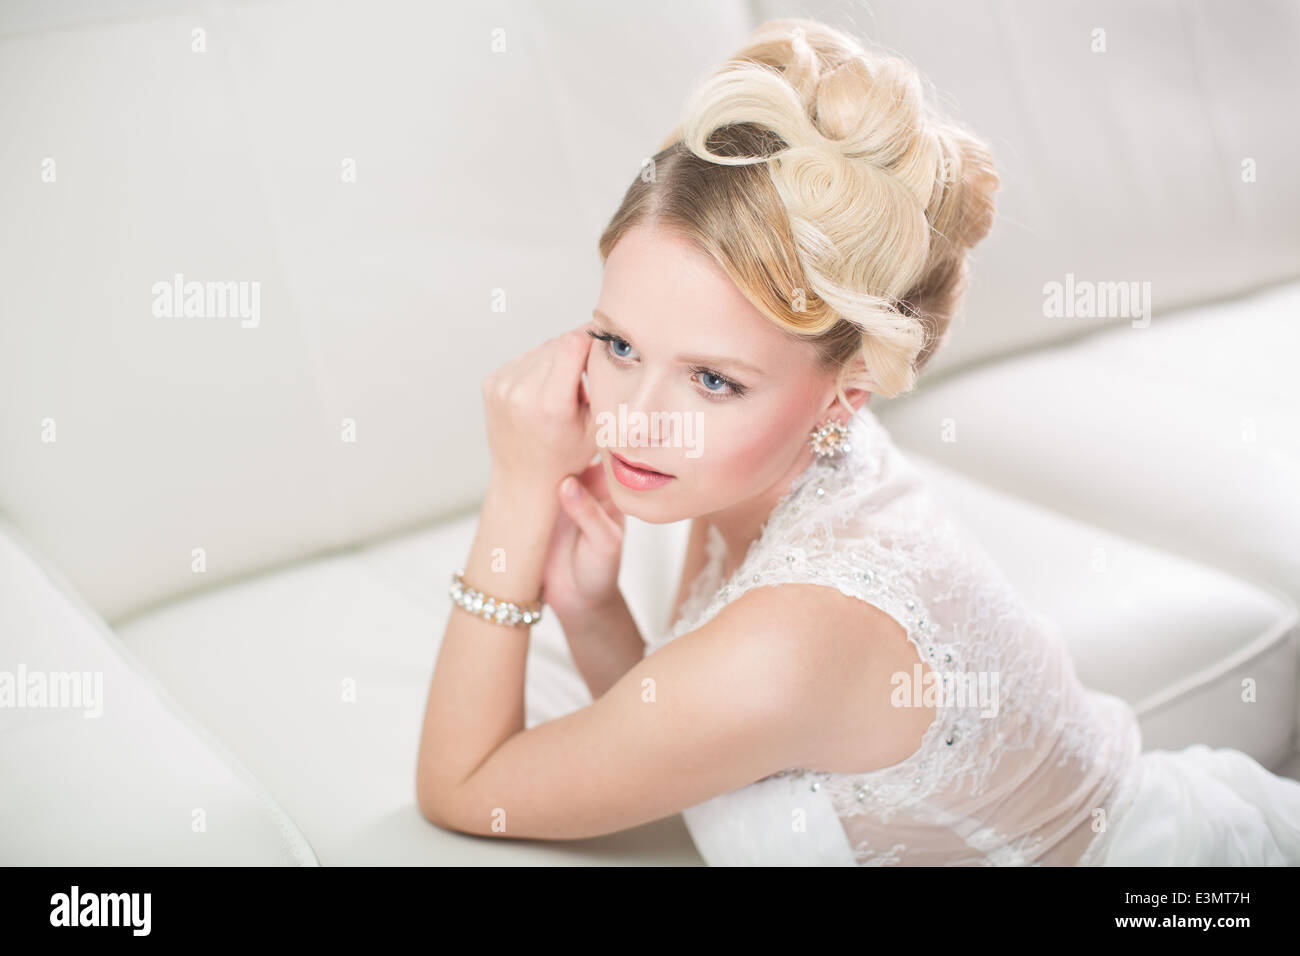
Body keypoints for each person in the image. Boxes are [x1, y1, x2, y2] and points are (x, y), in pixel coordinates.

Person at [416, 17, 1300, 864]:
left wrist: (518, 491)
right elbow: (688, 750)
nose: (632, 419)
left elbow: (463, 786)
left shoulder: (795, 639)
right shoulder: (778, 467)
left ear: (845, 396)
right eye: (617, 345)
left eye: (713, 379)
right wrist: (591, 610)